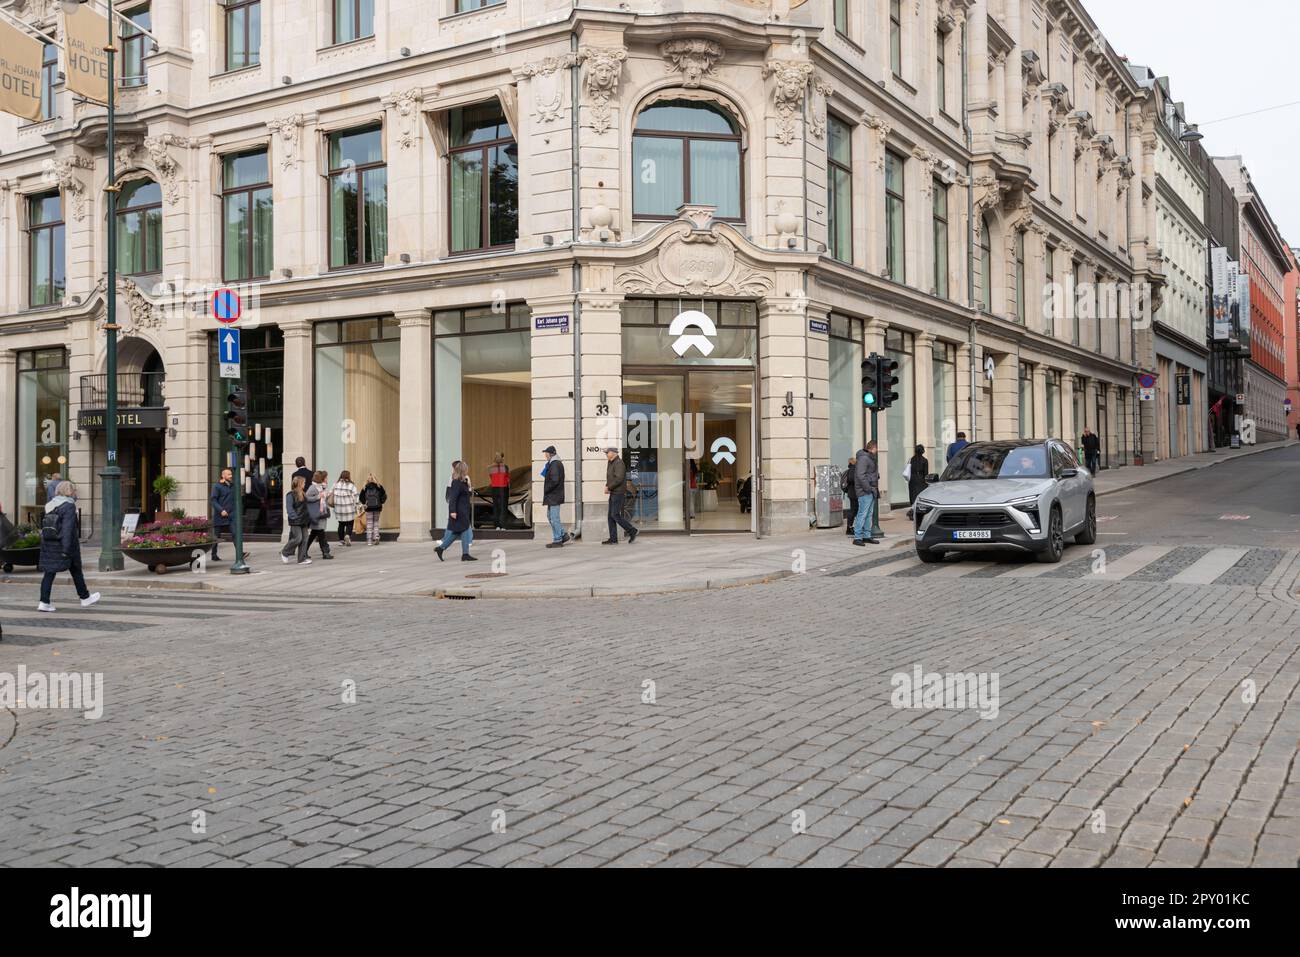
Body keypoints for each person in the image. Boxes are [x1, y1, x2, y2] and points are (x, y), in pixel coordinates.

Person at [36, 481, 100, 613]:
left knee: (50, 572)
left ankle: (44, 602)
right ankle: (85, 597)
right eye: (73, 490)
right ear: (69, 491)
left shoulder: (50, 505)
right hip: (66, 545)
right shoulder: (68, 506)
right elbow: (67, 528)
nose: (75, 492)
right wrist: (66, 549)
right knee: (76, 570)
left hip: (50, 544)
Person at [435, 461, 476, 562]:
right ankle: (465, 554)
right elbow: (453, 498)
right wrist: (452, 511)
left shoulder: (463, 481)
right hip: (459, 511)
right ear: (463, 470)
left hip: (463, 510)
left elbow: (466, 495)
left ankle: (441, 548)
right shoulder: (456, 482)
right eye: (466, 469)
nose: (467, 470)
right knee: (464, 530)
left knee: (457, 532)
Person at [603, 447, 638, 545]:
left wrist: (609, 487)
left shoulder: (619, 463)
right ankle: (613, 539)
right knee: (610, 516)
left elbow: (619, 479)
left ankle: (632, 530)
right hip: (614, 492)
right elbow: (610, 477)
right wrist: (607, 485)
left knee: (615, 515)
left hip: (618, 493)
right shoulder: (611, 462)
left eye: (607, 452)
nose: (606, 454)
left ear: (614, 453)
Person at [852, 440, 880, 546]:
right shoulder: (864, 458)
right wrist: (868, 488)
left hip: (870, 489)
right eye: (877, 448)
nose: (877, 450)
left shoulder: (868, 457)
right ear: (873, 447)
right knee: (862, 514)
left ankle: (866, 536)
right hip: (865, 491)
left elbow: (867, 473)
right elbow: (860, 475)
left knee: (868, 514)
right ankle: (857, 537)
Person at [541, 446, 570, 548]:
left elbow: (554, 480)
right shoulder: (554, 464)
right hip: (553, 495)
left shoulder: (555, 464)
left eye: (546, 453)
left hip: (554, 495)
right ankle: (562, 535)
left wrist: (546, 489)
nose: (545, 455)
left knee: (554, 518)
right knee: (550, 517)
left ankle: (558, 539)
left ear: (550, 454)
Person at [280, 475, 312, 565]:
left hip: (304, 520)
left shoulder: (303, 493)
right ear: (299, 483)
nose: (305, 484)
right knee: (298, 538)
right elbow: (289, 508)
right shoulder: (290, 495)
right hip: (296, 520)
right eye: (304, 482)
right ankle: (284, 552)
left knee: (305, 539)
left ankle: (301, 559)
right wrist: (295, 517)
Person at [209, 467, 236, 562]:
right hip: (220, 515)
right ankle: (213, 554)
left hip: (232, 515)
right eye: (229, 474)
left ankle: (239, 554)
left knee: (235, 533)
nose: (231, 476)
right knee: (216, 536)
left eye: (231, 474)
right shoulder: (217, 486)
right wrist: (221, 510)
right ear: (223, 475)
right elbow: (213, 500)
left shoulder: (232, 485)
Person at [304, 470, 333, 559]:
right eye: (326, 478)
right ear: (321, 479)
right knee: (321, 534)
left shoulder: (322, 487)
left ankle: (304, 551)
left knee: (314, 534)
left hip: (322, 514)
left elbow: (323, 500)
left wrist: (327, 495)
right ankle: (325, 552)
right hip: (317, 514)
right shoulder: (313, 488)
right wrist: (318, 497)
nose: (327, 479)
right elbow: (307, 498)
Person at [330, 470, 360, 546]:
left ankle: (341, 540)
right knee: (350, 524)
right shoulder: (351, 485)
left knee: (341, 524)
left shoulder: (335, 484)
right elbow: (356, 496)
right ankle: (347, 535)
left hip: (339, 509)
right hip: (349, 508)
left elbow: (330, 493)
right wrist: (357, 505)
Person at [360, 473, 387, 545]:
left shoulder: (364, 487)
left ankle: (369, 541)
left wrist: (364, 504)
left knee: (369, 524)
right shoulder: (379, 487)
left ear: (367, 480)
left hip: (368, 508)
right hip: (377, 507)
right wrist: (381, 502)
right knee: (376, 523)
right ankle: (376, 536)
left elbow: (361, 498)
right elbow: (384, 496)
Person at [488, 452, 511, 529]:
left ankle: (497, 525)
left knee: (496, 507)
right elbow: (508, 478)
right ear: (502, 458)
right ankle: (503, 525)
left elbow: (491, 477)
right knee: (503, 507)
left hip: (494, 488)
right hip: (503, 488)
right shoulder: (505, 467)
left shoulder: (490, 468)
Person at [841, 456, 858, 536]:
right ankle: (849, 528)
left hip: (852, 493)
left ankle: (850, 527)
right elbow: (851, 479)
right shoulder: (853, 469)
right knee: (854, 511)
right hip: (854, 493)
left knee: (854, 510)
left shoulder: (851, 469)